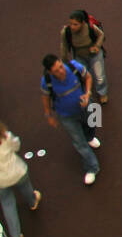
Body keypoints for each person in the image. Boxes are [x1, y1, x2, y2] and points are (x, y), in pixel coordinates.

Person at [40, 53, 100, 186]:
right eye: (56, 70)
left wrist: (88, 93)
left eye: (61, 66)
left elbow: (88, 77)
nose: (61, 71)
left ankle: (90, 137)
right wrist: (48, 114)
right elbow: (45, 98)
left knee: (95, 120)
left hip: (85, 106)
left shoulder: (74, 67)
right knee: (79, 142)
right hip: (66, 116)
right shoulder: (46, 82)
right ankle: (92, 168)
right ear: (50, 72)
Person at [60, 9, 108, 104]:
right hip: (79, 56)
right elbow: (64, 47)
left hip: (95, 55)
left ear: (82, 23)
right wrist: (64, 61)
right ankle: (86, 94)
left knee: (99, 75)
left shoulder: (90, 27)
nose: (72, 27)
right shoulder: (66, 32)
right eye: (71, 24)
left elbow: (101, 35)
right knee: (82, 76)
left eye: (75, 24)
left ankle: (102, 93)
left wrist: (97, 46)